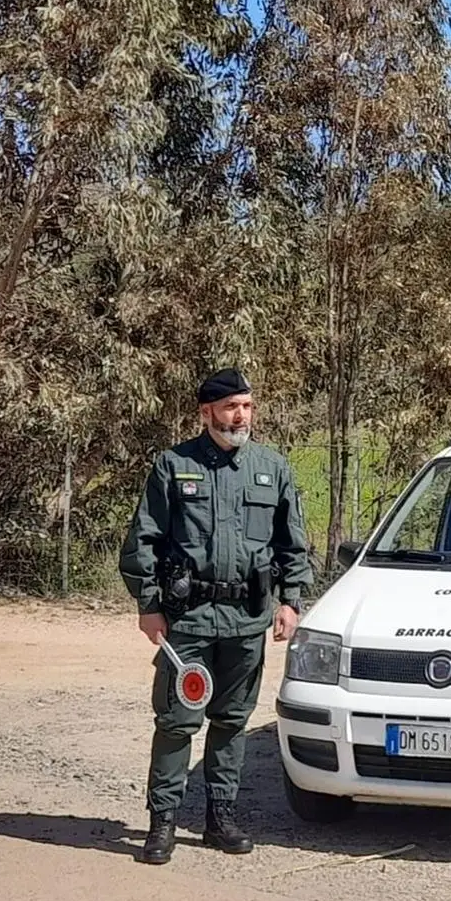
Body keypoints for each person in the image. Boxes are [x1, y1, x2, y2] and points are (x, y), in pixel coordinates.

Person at [120, 368, 313, 865]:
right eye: (231, 407)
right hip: (189, 620)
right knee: (176, 722)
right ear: (206, 413)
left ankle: (219, 817)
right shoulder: (173, 465)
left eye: (247, 406)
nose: (240, 415)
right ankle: (162, 821)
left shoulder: (272, 467)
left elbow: (292, 543)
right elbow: (144, 539)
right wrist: (149, 605)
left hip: (246, 618)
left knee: (231, 721)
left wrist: (290, 601)